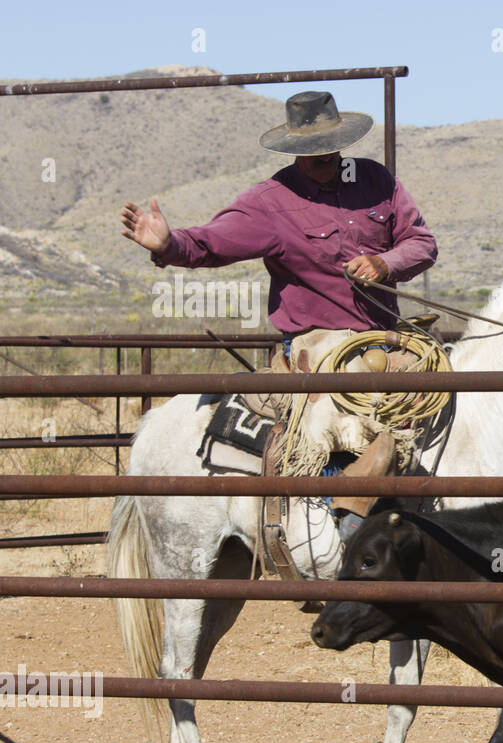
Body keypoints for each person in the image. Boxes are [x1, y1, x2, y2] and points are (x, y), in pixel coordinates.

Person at [119, 90, 438, 536]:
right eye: (310, 149)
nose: (322, 156)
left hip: (384, 337)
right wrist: (170, 245)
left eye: (328, 145)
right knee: (336, 425)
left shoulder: (377, 181)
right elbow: (213, 241)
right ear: (293, 151)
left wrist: (387, 263)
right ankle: (338, 526)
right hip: (317, 343)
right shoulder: (270, 202)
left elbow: (421, 243)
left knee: (444, 393)